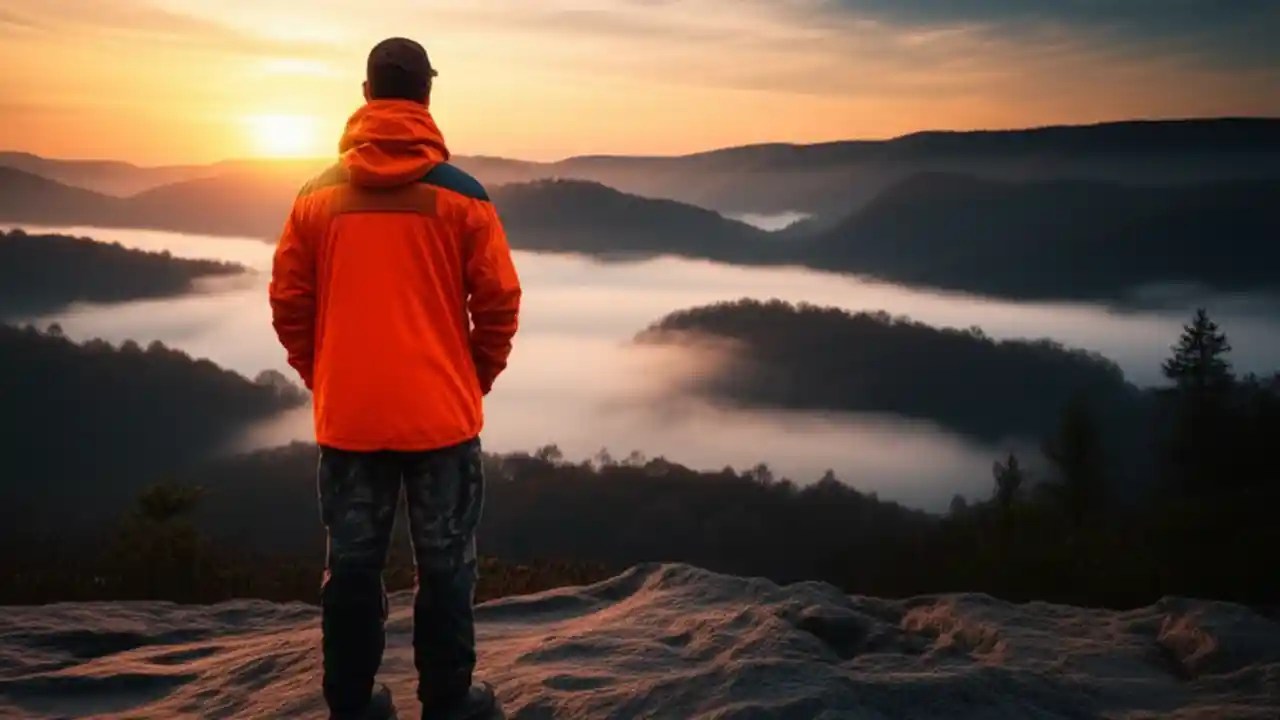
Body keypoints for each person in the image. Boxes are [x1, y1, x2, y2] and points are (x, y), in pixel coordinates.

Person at [269, 37, 520, 720]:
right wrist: (472, 380)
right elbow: (497, 303)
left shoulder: (315, 198)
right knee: (446, 568)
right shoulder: (464, 197)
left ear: (366, 95)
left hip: (350, 420)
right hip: (441, 418)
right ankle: (447, 701)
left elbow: (289, 303)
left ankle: (351, 705)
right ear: (427, 96)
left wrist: (327, 378)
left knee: (351, 567)